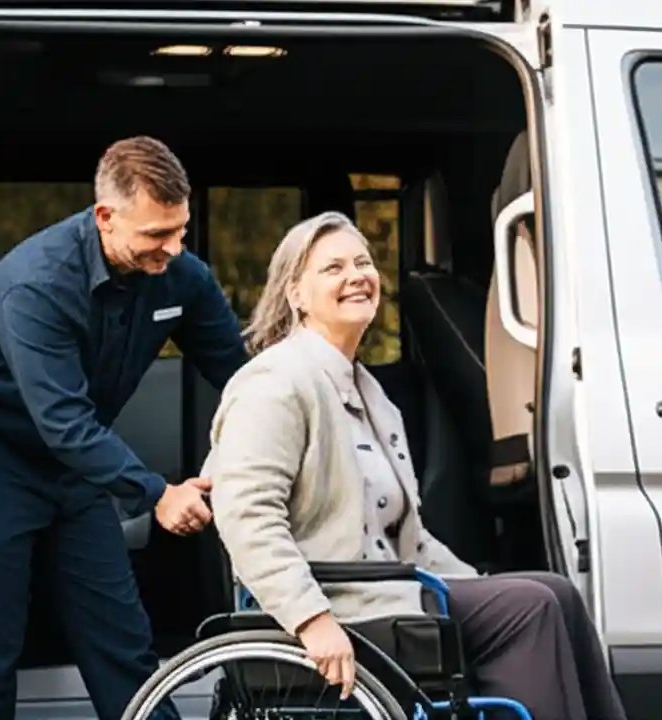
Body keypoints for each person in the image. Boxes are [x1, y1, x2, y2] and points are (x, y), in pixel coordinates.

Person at [202, 211, 627, 720]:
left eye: (363, 263)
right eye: (334, 268)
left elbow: (410, 540)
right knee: (529, 609)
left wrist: (476, 583)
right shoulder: (275, 383)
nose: (356, 276)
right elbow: (247, 517)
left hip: (388, 592)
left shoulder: (370, 394)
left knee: (556, 592)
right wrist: (311, 619)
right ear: (296, 294)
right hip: (338, 605)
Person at [0, 136, 248, 720]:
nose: (173, 248)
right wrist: (157, 493)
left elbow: (239, 371)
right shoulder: (36, 284)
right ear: (105, 217)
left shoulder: (179, 274)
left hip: (77, 471)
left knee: (124, 647)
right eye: (156, 234)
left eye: (180, 230)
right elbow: (64, 422)